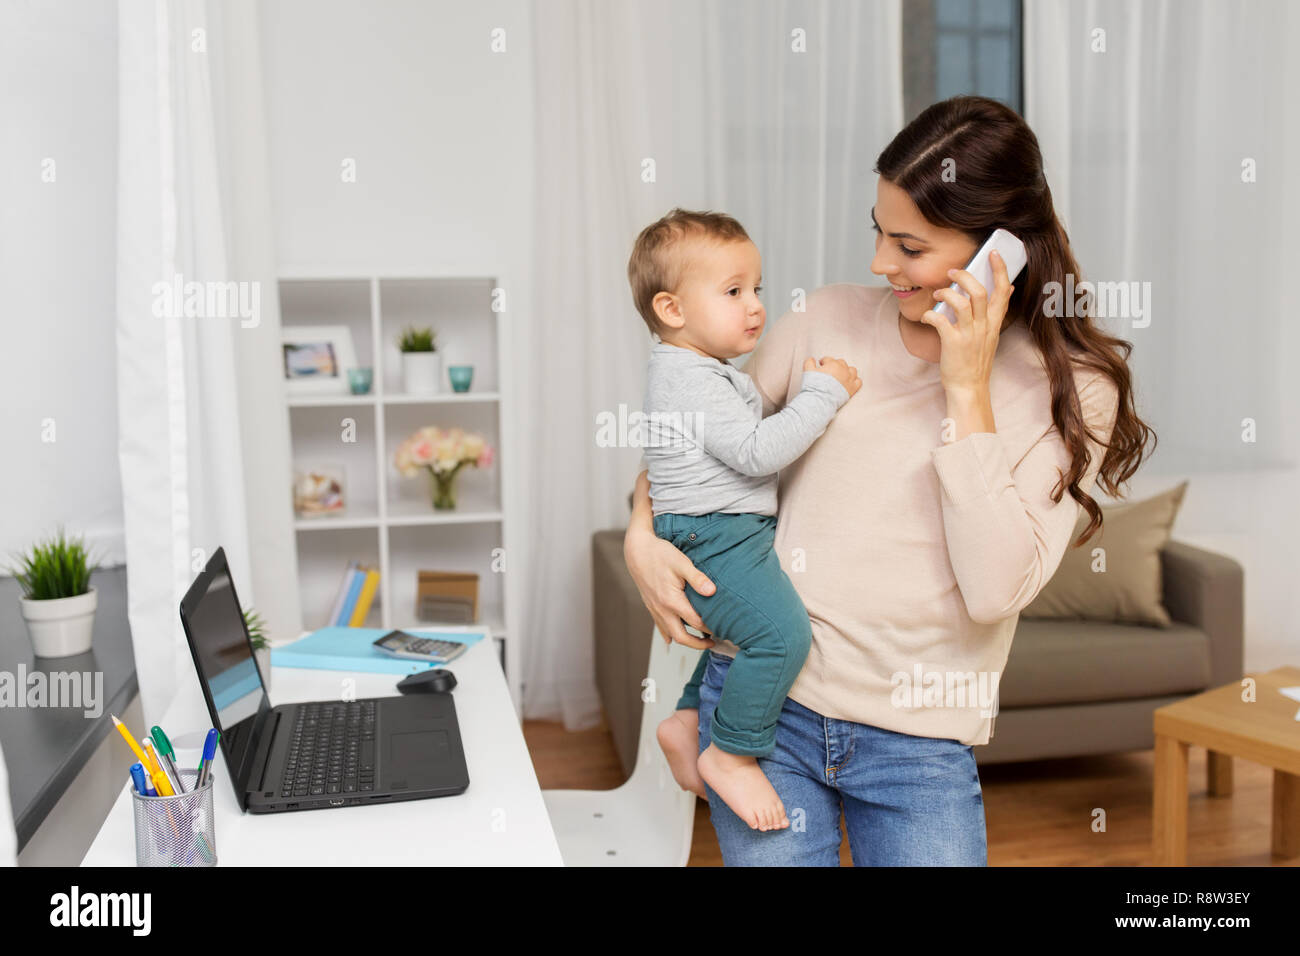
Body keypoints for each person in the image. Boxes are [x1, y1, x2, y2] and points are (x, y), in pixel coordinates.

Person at [623, 95, 1157, 865]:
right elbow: (689, 453)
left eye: (909, 245)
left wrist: (965, 388)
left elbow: (995, 589)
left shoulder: (1074, 389)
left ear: (1001, 250)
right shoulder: (824, 320)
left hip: (920, 745)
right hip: (770, 712)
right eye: (877, 231)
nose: (879, 264)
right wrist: (643, 539)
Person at [627, 208, 860, 830]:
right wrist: (824, 394)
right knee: (781, 637)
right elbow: (758, 451)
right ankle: (729, 754)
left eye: (756, 288)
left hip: (719, 531)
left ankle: (683, 720)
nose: (755, 306)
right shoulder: (689, 380)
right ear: (672, 310)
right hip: (715, 537)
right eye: (733, 292)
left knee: (740, 633)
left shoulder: (699, 371)